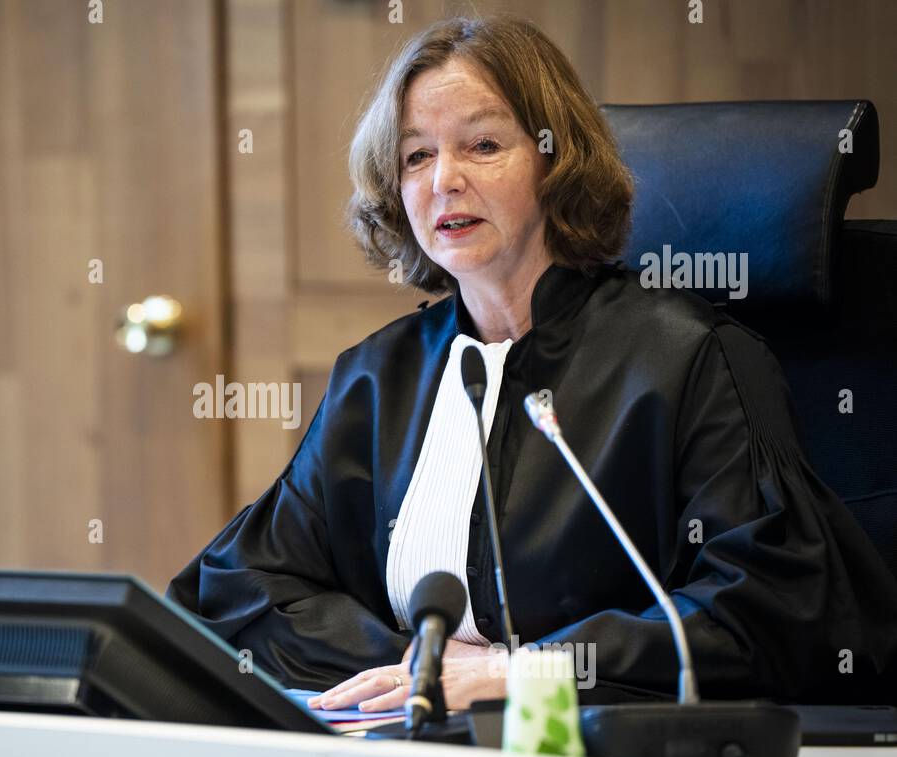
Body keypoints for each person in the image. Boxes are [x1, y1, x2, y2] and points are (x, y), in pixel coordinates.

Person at [167, 15, 897, 712]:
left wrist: (525, 673)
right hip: (410, 749)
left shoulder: (691, 360)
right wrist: (414, 663)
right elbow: (239, 586)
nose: (443, 179)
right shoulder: (377, 377)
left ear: (558, 159)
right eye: (417, 155)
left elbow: (770, 611)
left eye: (482, 146)